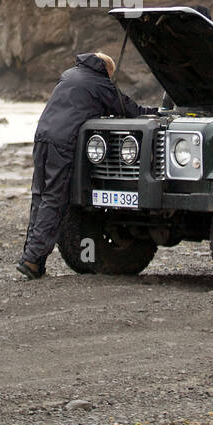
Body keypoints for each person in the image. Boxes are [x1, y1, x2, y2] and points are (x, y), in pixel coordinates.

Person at [18, 52, 157, 279]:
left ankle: (31, 258)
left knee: (39, 195)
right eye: (111, 75)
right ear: (106, 69)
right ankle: (32, 260)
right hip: (63, 143)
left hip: (42, 136)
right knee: (54, 199)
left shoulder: (69, 75)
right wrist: (156, 113)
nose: (111, 79)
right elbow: (128, 109)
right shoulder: (99, 83)